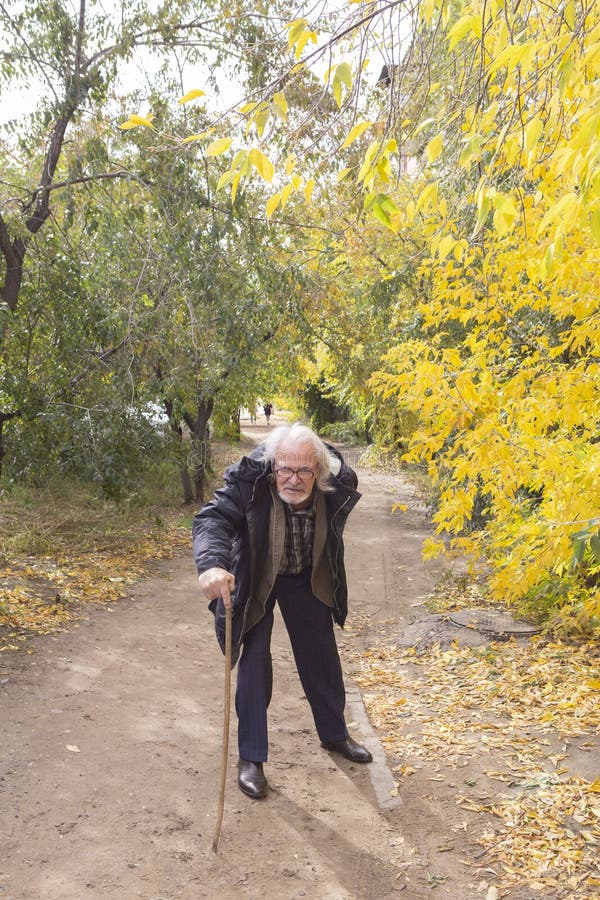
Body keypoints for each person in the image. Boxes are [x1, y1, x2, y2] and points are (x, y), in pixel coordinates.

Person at [192, 422, 372, 800]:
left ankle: (334, 732)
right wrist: (211, 564)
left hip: (305, 573)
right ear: (273, 465)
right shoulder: (251, 478)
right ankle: (251, 758)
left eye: (304, 470)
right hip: (258, 573)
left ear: (318, 471)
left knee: (320, 653)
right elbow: (213, 519)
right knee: (254, 657)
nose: (293, 478)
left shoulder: (335, 484)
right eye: (284, 469)